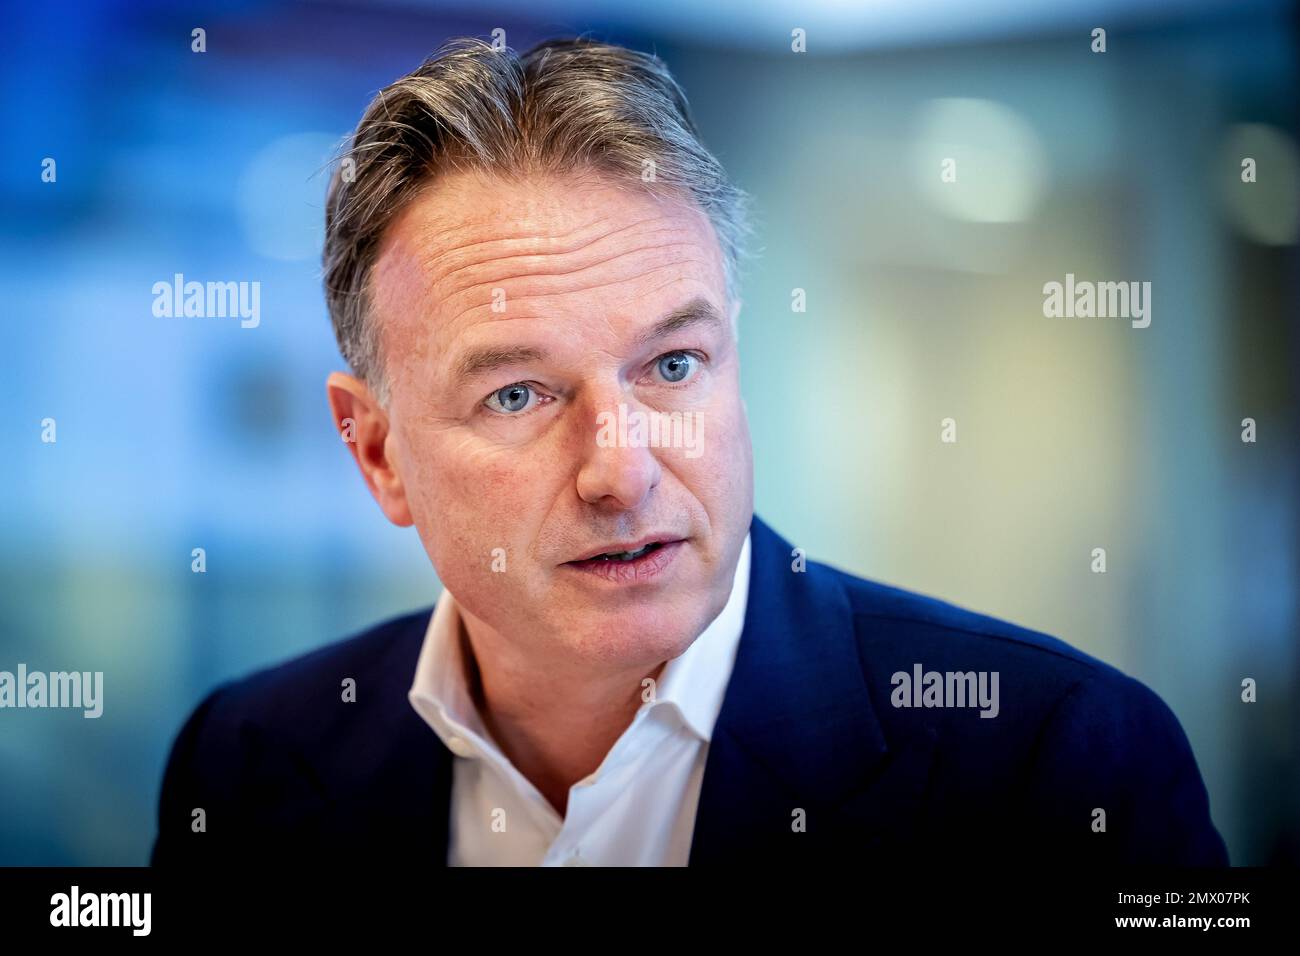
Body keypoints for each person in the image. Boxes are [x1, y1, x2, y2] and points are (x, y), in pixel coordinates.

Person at [152, 37, 1228, 867]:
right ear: (378, 452)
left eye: (671, 366)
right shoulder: (251, 761)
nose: (620, 470)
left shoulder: (1055, 765)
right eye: (517, 393)